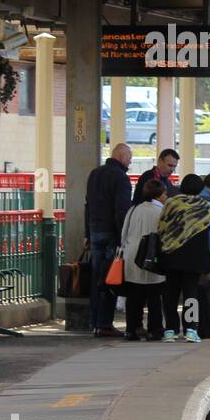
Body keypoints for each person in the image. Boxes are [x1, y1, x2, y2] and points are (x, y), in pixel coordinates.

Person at [156, 174, 210, 343]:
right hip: (194, 257)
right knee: (191, 294)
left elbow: (161, 227)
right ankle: (190, 329)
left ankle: (170, 330)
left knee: (170, 294)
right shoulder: (205, 206)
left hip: (172, 255)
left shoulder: (171, 203)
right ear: (200, 189)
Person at [83, 143, 133, 337]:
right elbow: (121, 210)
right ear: (121, 157)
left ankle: (95, 322)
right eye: (129, 158)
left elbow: (88, 205)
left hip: (95, 231)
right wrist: (124, 237)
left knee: (97, 279)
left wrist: (87, 233)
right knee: (111, 278)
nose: (130, 162)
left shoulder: (94, 174)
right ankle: (105, 324)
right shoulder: (121, 178)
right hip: (112, 234)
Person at [120, 179, 168, 341]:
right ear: (159, 195)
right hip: (152, 258)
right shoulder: (162, 211)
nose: (166, 196)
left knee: (134, 296)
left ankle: (132, 329)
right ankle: (155, 329)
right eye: (165, 193)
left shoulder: (133, 209)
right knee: (154, 296)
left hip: (132, 256)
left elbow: (123, 234)